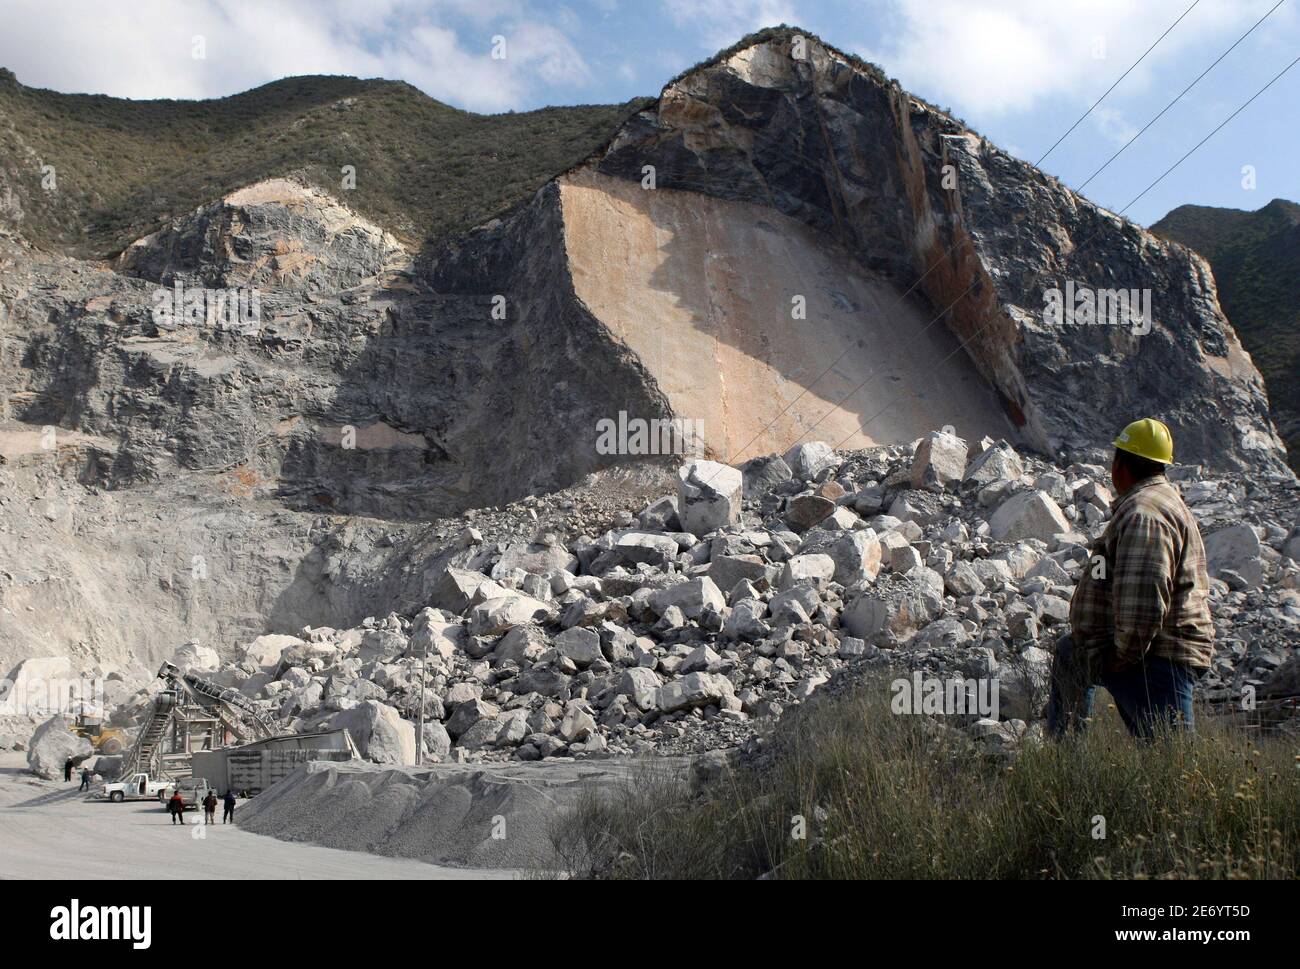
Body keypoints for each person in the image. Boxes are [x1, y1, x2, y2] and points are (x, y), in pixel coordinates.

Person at [1047, 418, 1214, 739]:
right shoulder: (1157, 503)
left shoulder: (1143, 514)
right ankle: (1065, 763)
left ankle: (1065, 758)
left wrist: (1118, 657)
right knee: (1070, 654)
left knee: (1171, 764)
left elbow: (1145, 598)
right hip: (1144, 655)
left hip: (1155, 659)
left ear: (1119, 465)